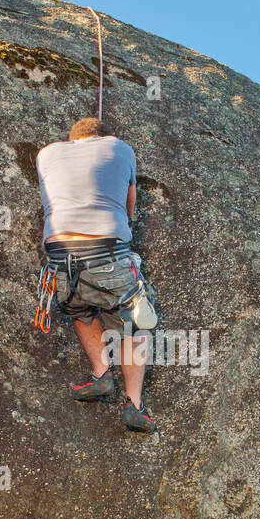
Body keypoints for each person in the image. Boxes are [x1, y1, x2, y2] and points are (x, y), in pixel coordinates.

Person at [35, 118, 157, 434]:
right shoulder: (120, 148)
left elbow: (51, 202)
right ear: (103, 136)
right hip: (106, 252)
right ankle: (134, 404)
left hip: (61, 258)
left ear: (72, 139)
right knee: (135, 322)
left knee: (79, 308)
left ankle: (101, 374)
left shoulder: (46, 154)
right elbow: (129, 205)